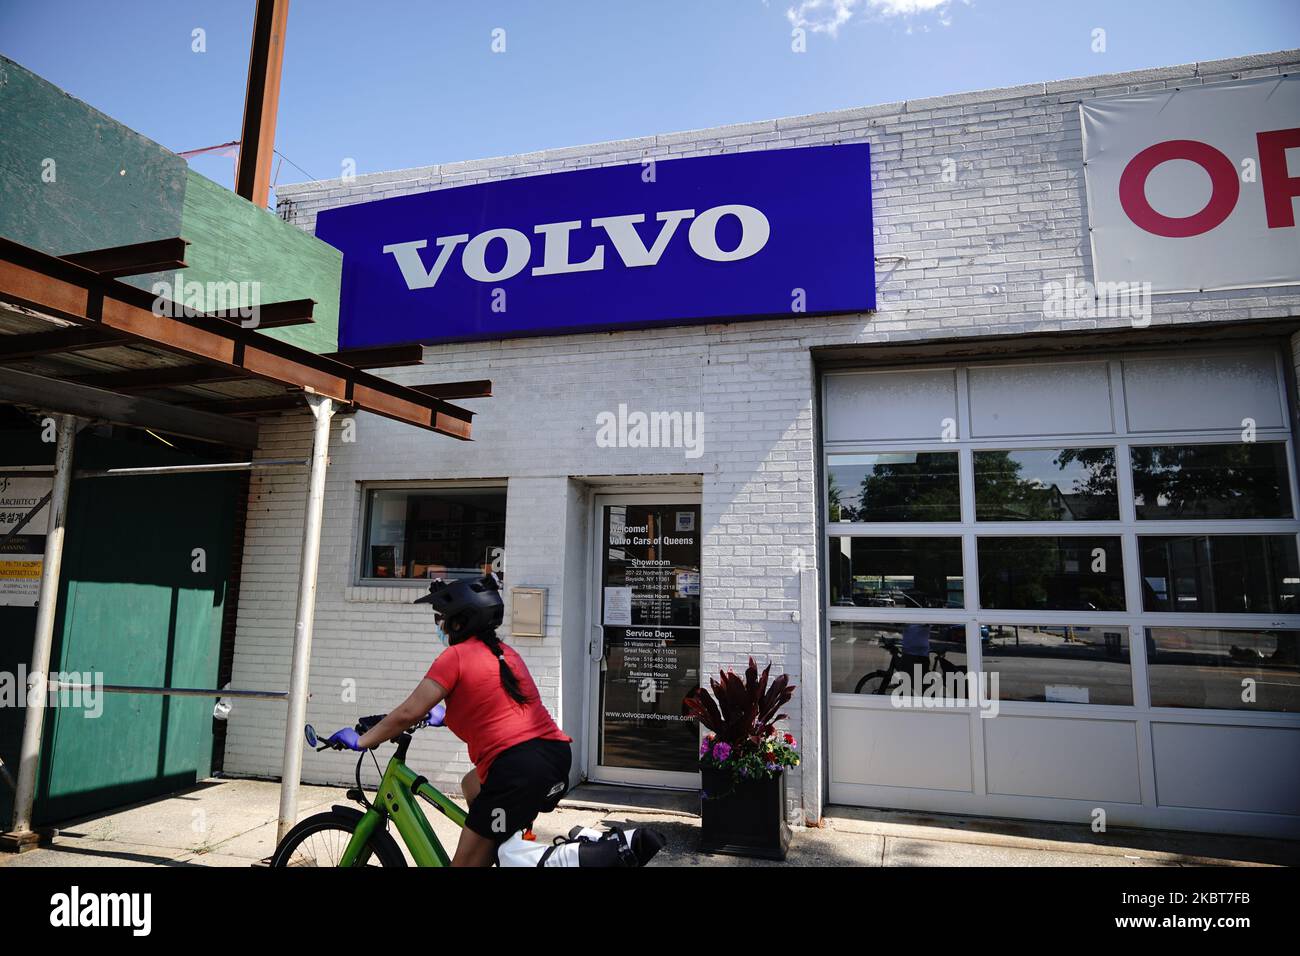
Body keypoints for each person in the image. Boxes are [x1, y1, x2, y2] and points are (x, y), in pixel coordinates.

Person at [325, 574, 572, 866]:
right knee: (472, 785)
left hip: (515, 770)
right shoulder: (506, 654)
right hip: (552, 755)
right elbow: (496, 704)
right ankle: (498, 848)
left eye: (439, 618)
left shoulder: (455, 656)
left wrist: (362, 740)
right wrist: (445, 716)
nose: (438, 626)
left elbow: (408, 713)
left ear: (458, 622)